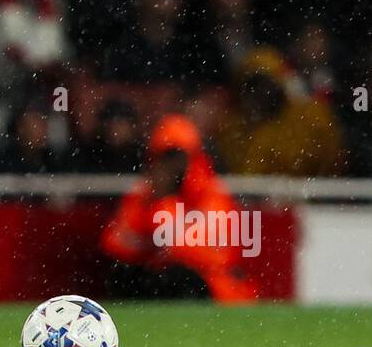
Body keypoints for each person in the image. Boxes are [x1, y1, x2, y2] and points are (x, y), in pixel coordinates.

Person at [100, 114, 257, 303]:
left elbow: (201, 253)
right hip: (162, 279)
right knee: (123, 275)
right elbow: (114, 243)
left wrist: (160, 211)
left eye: (177, 157)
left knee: (180, 277)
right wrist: (152, 221)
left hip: (212, 288)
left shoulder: (212, 194)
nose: (172, 166)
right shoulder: (145, 193)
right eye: (165, 157)